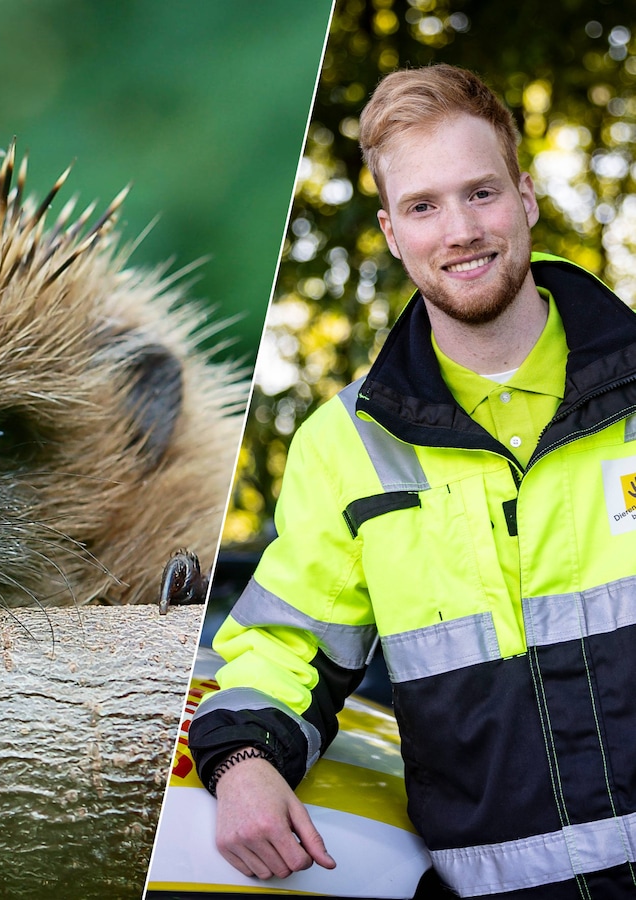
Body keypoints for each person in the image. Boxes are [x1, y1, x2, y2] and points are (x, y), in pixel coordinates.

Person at [188, 63, 636, 899]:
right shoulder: (346, 446)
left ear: (527, 198)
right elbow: (289, 649)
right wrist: (243, 760)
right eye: (425, 206)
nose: (459, 230)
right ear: (393, 232)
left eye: (480, 194)